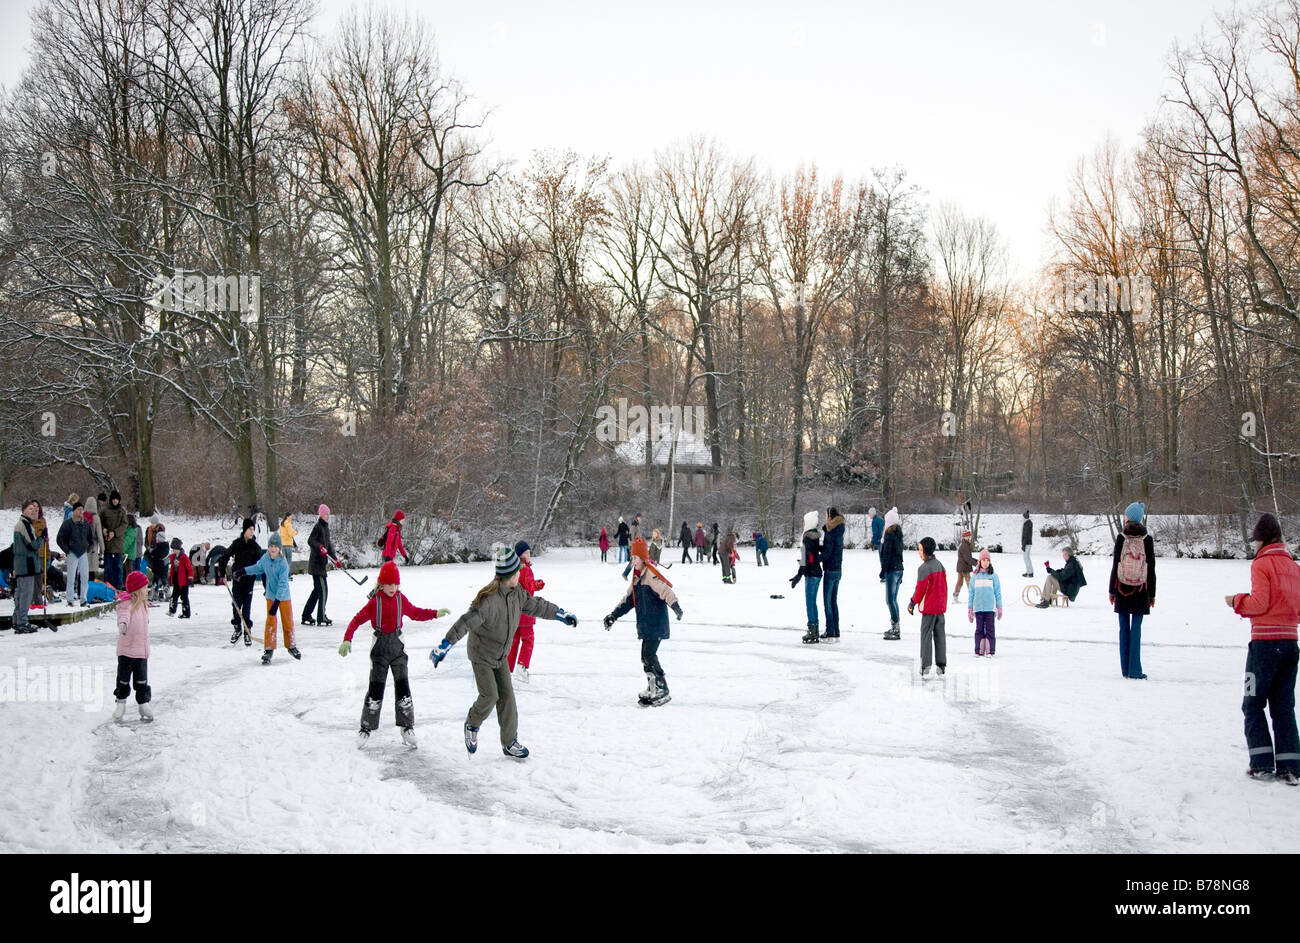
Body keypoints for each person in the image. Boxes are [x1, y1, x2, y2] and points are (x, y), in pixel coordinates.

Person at [430, 545, 579, 759]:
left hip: (500, 654)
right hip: (481, 655)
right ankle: (472, 724)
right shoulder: (489, 601)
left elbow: (536, 605)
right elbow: (466, 622)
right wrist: (446, 644)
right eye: (517, 570)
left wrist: (560, 614)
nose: (521, 572)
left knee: (507, 697)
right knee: (490, 695)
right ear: (510, 575)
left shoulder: (517, 593)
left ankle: (509, 742)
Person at [340, 561, 449, 749]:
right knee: (375, 689)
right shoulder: (375, 602)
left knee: (403, 688)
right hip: (380, 650)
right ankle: (366, 727)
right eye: (388, 584)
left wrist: (435, 613)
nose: (392, 588)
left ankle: (407, 727)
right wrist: (347, 638)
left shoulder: (400, 599)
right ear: (381, 584)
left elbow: (415, 613)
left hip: (398, 648)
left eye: (395, 584)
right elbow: (356, 620)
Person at [1226, 512, 1300, 784]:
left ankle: (1261, 763)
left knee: (1253, 703)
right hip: (1291, 644)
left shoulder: (1262, 564)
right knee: (1283, 706)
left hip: (1264, 646)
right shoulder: (1294, 566)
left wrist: (1236, 601)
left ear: (1262, 540)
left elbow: (1259, 603)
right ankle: (1290, 767)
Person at [603, 536, 682, 706]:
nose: (634, 561)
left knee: (649, 655)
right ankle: (652, 686)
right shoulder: (637, 578)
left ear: (644, 558)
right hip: (646, 626)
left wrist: (675, 606)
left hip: (656, 624)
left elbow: (665, 591)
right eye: (632, 558)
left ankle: (661, 687)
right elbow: (628, 601)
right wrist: (613, 616)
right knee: (645, 657)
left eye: (636, 558)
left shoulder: (650, 575)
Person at [1109, 502, 1155, 679]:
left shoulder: (1121, 538)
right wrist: (1152, 595)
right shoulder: (1147, 539)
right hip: (1141, 590)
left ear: (1128, 517)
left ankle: (1125, 669)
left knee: (1123, 628)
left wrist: (1112, 591)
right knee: (1137, 629)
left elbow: (1115, 565)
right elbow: (1151, 568)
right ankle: (1135, 670)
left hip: (1121, 588)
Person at [239, 533, 297, 665]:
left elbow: (283, 584)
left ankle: (291, 645)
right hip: (271, 595)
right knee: (270, 622)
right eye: (271, 546)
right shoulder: (265, 559)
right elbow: (257, 568)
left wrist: (277, 602)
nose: (273, 548)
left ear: (279, 548)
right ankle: (269, 649)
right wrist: (242, 571)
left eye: (275, 546)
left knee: (287, 621)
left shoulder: (283, 564)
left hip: (283, 597)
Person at [111, 570, 154, 723]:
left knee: (141, 681)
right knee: (123, 680)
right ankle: (120, 704)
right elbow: (124, 616)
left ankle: (143, 704)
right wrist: (122, 625)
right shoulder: (126, 605)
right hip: (127, 651)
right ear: (136, 591)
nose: (147, 590)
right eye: (144, 588)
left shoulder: (143, 605)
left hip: (141, 652)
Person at [908, 536, 949, 677]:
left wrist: (912, 602)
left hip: (930, 609)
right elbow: (944, 587)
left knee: (926, 635)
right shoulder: (940, 565)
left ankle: (925, 665)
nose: (919, 553)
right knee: (940, 635)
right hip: (940, 608)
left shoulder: (924, 568)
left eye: (920, 550)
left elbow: (920, 590)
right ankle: (941, 665)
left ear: (926, 551)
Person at [508, 540, 544, 684]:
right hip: (526, 612)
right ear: (520, 555)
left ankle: (508, 669)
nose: (529, 555)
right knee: (528, 640)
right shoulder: (525, 569)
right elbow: (528, 588)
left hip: (514, 612)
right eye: (526, 553)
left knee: (514, 641)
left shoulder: (514, 568)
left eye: (529, 552)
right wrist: (537, 585)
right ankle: (522, 667)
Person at [226, 518, 262, 645]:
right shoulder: (237, 544)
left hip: (249, 580)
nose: (252, 532)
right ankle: (237, 629)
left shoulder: (255, 547)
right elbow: (225, 555)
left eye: (253, 529)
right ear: (244, 530)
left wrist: (265, 583)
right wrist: (221, 571)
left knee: (247, 606)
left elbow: (262, 565)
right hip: (238, 579)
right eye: (250, 529)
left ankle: (247, 630)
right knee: (236, 605)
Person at [791, 511, 823, 644]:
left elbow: (806, 559)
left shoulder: (807, 538)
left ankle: (813, 631)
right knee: (812, 602)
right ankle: (814, 629)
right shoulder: (814, 537)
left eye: (804, 521)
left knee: (810, 603)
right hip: (816, 572)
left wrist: (799, 575)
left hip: (811, 574)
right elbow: (809, 557)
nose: (803, 524)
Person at [11, 500, 42, 634]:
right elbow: (33, 545)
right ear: (23, 510)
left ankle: (17, 620)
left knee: (20, 593)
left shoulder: (25, 524)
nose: (32, 511)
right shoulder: (24, 524)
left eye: (33, 509)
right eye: (29, 509)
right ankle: (22, 622)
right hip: (26, 564)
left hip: (22, 564)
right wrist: (41, 538)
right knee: (25, 594)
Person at [302, 505, 335, 626]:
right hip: (316, 565)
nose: (327, 516)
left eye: (328, 514)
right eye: (326, 514)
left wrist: (335, 558)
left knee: (317, 591)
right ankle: (321, 616)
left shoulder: (326, 528)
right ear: (321, 515)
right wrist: (319, 547)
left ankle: (306, 615)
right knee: (323, 591)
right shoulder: (318, 527)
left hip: (321, 565)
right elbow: (311, 541)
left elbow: (329, 546)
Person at [57, 502, 92, 607]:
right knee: (71, 577)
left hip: (83, 552)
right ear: (74, 511)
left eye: (82, 509)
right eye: (78, 509)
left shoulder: (86, 523)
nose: (80, 511)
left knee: (85, 577)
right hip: (72, 552)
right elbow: (60, 538)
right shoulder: (68, 523)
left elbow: (91, 538)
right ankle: (70, 599)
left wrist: (88, 547)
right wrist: (67, 549)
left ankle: (83, 599)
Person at [968, 549, 1002, 656]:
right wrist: (970, 608)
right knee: (979, 629)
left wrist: (999, 607)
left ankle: (990, 650)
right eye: (984, 560)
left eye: (988, 560)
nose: (986, 562)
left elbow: (998, 593)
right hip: (978, 608)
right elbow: (971, 594)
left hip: (990, 609)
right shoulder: (975, 577)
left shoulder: (993, 577)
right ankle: (979, 650)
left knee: (990, 630)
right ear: (979, 561)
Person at [820, 508, 845, 640]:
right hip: (838, 569)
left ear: (830, 516)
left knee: (827, 601)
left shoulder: (831, 531)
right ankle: (836, 629)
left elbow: (827, 552)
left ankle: (830, 630)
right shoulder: (839, 530)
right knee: (833, 601)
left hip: (830, 570)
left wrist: (814, 558)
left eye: (826, 515)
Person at [882, 507, 904, 640]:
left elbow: (887, 555)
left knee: (890, 600)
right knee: (893, 599)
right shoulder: (898, 534)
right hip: (899, 569)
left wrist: (883, 571)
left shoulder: (889, 535)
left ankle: (895, 628)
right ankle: (896, 626)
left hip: (892, 569)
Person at [100, 489, 127, 590]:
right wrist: (104, 530)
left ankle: (118, 587)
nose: (115, 501)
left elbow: (124, 524)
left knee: (118, 567)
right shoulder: (104, 510)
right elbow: (100, 522)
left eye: (117, 499)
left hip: (118, 543)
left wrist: (115, 532)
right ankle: (107, 587)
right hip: (107, 543)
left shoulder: (122, 511)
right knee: (108, 568)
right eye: (113, 499)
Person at [166, 537, 193, 619]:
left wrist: (190, 578)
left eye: (174, 549)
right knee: (174, 596)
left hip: (184, 581)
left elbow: (189, 568)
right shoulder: (173, 557)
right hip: (176, 579)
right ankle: (171, 610)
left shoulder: (184, 557)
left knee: (184, 597)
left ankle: (186, 613)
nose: (173, 550)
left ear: (178, 548)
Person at [83, 495, 104, 583]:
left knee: (83, 569)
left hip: (83, 546)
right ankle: (90, 589)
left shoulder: (82, 516)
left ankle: (81, 591)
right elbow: (99, 534)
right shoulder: (96, 518)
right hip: (93, 547)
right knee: (91, 570)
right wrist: (102, 548)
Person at [953, 530, 974, 602]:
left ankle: (955, 598)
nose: (970, 537)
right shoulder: (965, 546)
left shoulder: (964, 545)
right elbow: (968, 559)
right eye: (969, 536)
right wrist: (977, 563)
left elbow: (968, 558)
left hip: (961, 567)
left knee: (960, 582)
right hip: (964, 567)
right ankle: (973, 598)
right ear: (966, 537)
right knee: (969, 582)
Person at [279, 514, 297, 580]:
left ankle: (283, 575)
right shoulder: (288, 524)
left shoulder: (282, 524)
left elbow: (281, 534)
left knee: (284, 561)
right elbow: (291, 534)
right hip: (288, 544)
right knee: (289, 561)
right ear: (287, 517)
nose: (291, 518)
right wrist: (295, 532)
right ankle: (287, 575)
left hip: (283, 544)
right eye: (290, 516)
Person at [1021, 510, 1034, 577]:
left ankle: (1030, 572)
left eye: (1023, 517)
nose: (1022, 518)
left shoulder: (1026, 524)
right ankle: (1029, 571)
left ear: (1025, 517)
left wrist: (1023, 545)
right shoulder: (1029, 523)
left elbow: (1025, 536)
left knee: (1026, 558)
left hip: (1027, 543)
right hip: (1028, 543)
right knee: (1027, 558)